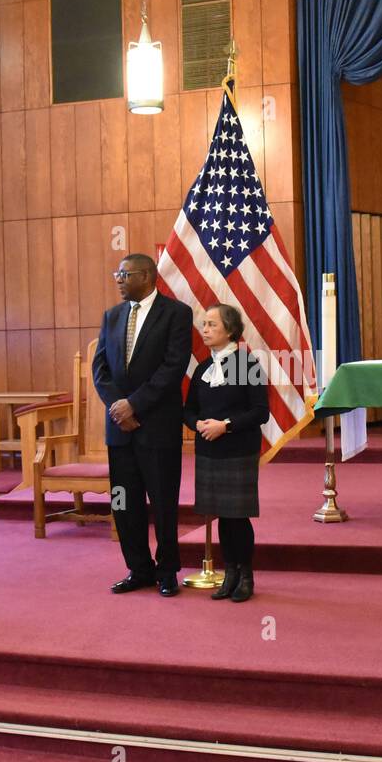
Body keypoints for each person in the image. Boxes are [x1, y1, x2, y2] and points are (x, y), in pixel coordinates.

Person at [92, 253, 192, 597]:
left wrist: (134, 404)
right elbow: (100, 369)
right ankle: (139, 569)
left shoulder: (176, 314)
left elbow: (173, 367)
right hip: (120, 430)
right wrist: (119, 408)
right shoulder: (112, 316)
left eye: (124, 274)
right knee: (124, 503)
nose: (118, 280)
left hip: (157, 426)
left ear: (147, 276)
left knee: (163, 502)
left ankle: (167, 571)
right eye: (116, 274)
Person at [183, 305, 270, 602]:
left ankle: (245, 576)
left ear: (230, 330)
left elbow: (260, 412)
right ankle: (229, 573)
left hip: (238, 449)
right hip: (209, 450)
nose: (205, 329)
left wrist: (226, 426)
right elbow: (188, 410)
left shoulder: (248, 364)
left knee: (238, 516)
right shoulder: (202, 368)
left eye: (212, 324)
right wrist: (197, 424)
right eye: (204, 324)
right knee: (222, 515)